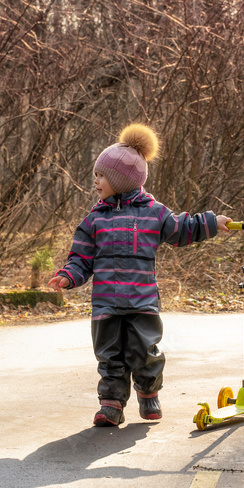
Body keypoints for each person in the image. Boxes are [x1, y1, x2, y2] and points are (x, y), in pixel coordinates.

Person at [47, 124, 231, 427]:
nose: (95, 180)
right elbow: (81, 258)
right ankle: (112, 405)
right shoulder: (94, 220)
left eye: (101, 175)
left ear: (121, 180)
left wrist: (211, 222)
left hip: (142, 302)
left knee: (145, 352)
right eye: (96, 174)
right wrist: (68, 276)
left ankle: (148, 394)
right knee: (110, 357)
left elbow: (182, 229)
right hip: (105, 305)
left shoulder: (153, 213)